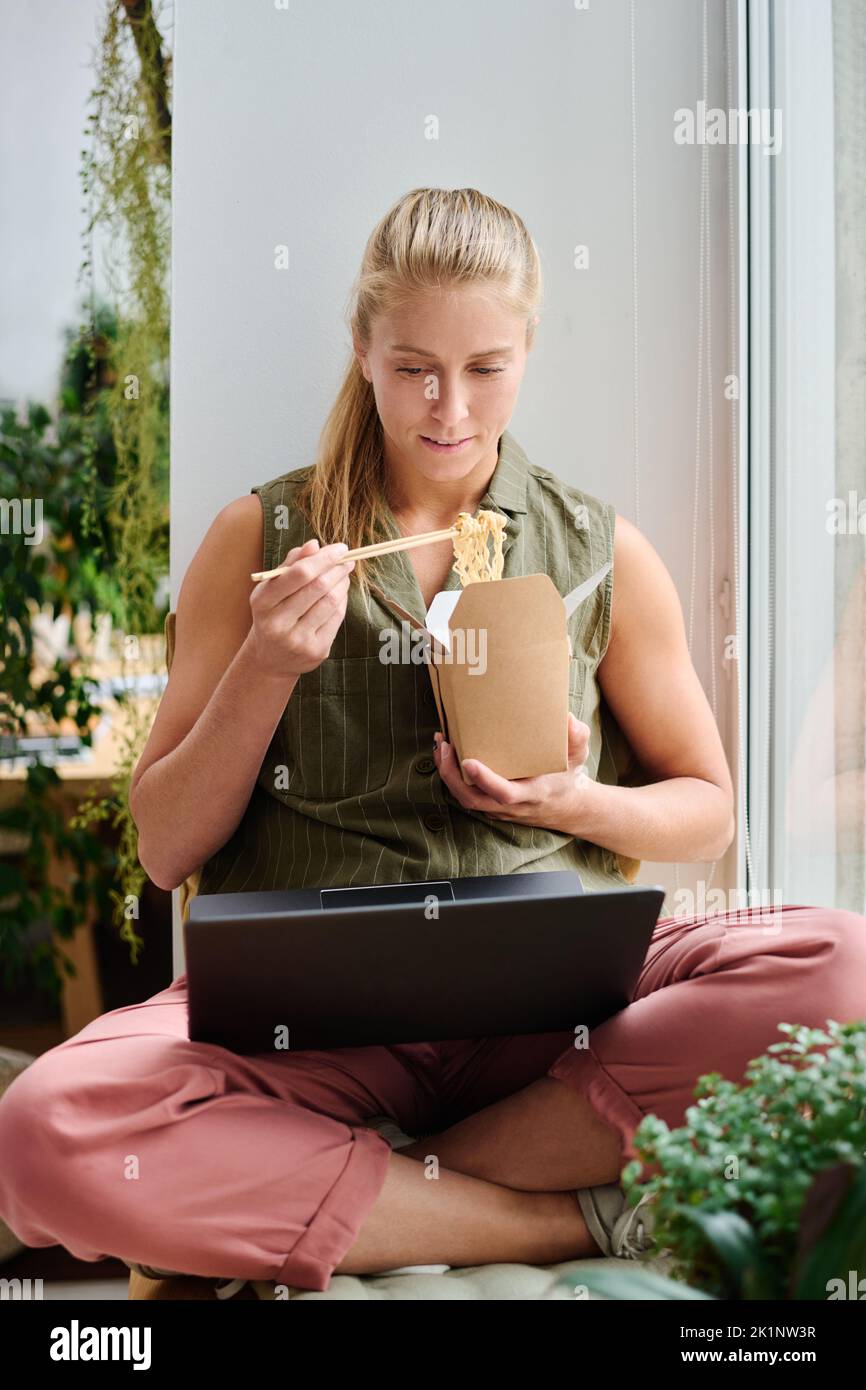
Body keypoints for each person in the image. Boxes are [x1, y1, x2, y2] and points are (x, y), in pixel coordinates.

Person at [1, 188, 864, 1297]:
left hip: (547, 1019)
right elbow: (165, 847)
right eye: (412, 365)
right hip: (306, 1033)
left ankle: (381, 1198)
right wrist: (266, 665)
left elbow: (706, 803)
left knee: (839, 967)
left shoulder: (599, 550)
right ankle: (549, 1221)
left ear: (528, 349)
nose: (448, 407)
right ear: (360, 345)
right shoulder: (253, 538)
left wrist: (570, 800)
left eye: (485, 367)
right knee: (44, 1127)